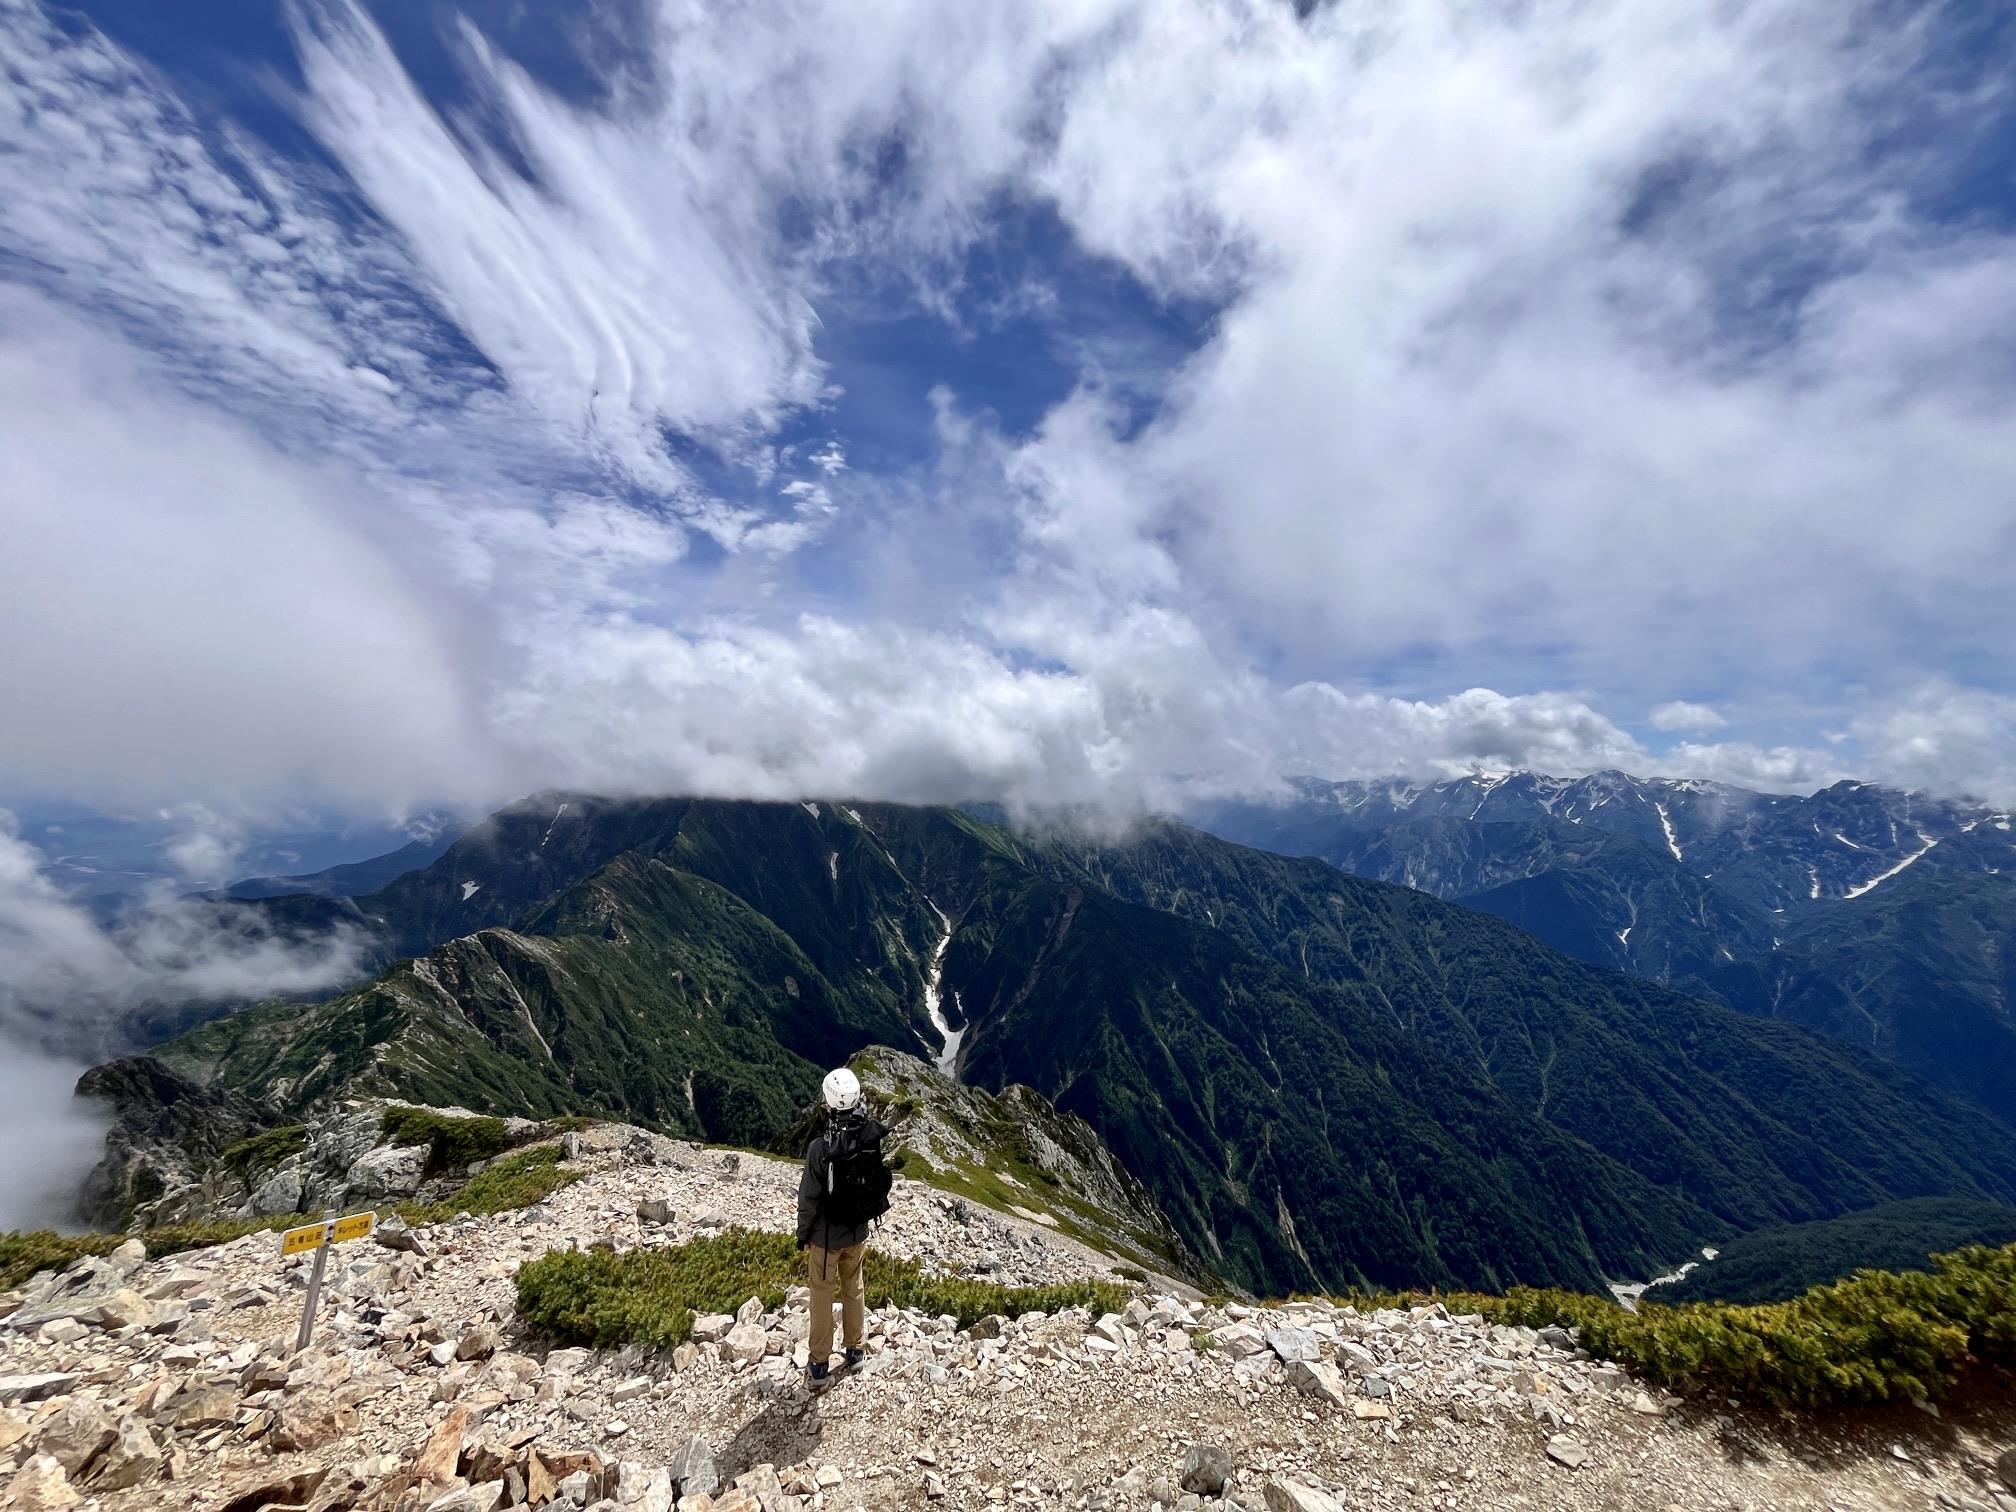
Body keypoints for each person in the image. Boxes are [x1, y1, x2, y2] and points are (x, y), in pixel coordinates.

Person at [797, 1065, 892, 1389]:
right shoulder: (869, 1135)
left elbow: (809, 1197)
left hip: (826, 1238)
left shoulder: (819, 1148)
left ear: (829, 1101)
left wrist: (803, 1234)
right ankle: (856, 1350)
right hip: (858, 1231)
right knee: (854, 1288)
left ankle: (819, 1365)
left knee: (822, 1295)